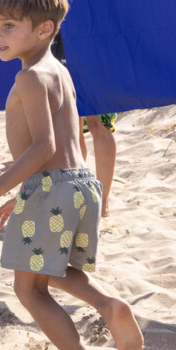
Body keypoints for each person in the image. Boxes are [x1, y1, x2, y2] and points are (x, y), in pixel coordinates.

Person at [0, 0, 143, 350]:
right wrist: (28, 188)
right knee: (51, 271)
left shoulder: (30, 78)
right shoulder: (61, 72)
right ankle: (108, 305)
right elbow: (68, 141)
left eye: (9, 25)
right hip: (77, 184)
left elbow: (44, 145)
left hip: (53, 185)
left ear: (44, 29)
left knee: (29, 289)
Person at [51, 33, 117, 217]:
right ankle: (82, 194)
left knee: (96, 123)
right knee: (73, 124)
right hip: (66, 32)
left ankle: (102, 201)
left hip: (91, 33)